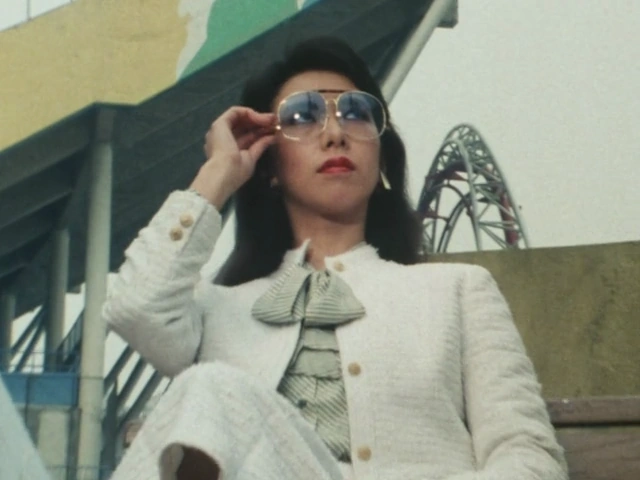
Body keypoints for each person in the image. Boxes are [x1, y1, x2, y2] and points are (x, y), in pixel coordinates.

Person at [105, 37, 568, 480]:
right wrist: (217, 173)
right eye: (303, 116)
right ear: (269, 165)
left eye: (357, 113)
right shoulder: (216, 313)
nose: (334, 133)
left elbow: (529, 458)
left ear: (382, 159)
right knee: (207, 387)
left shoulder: (458, 292)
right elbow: (134, 307)